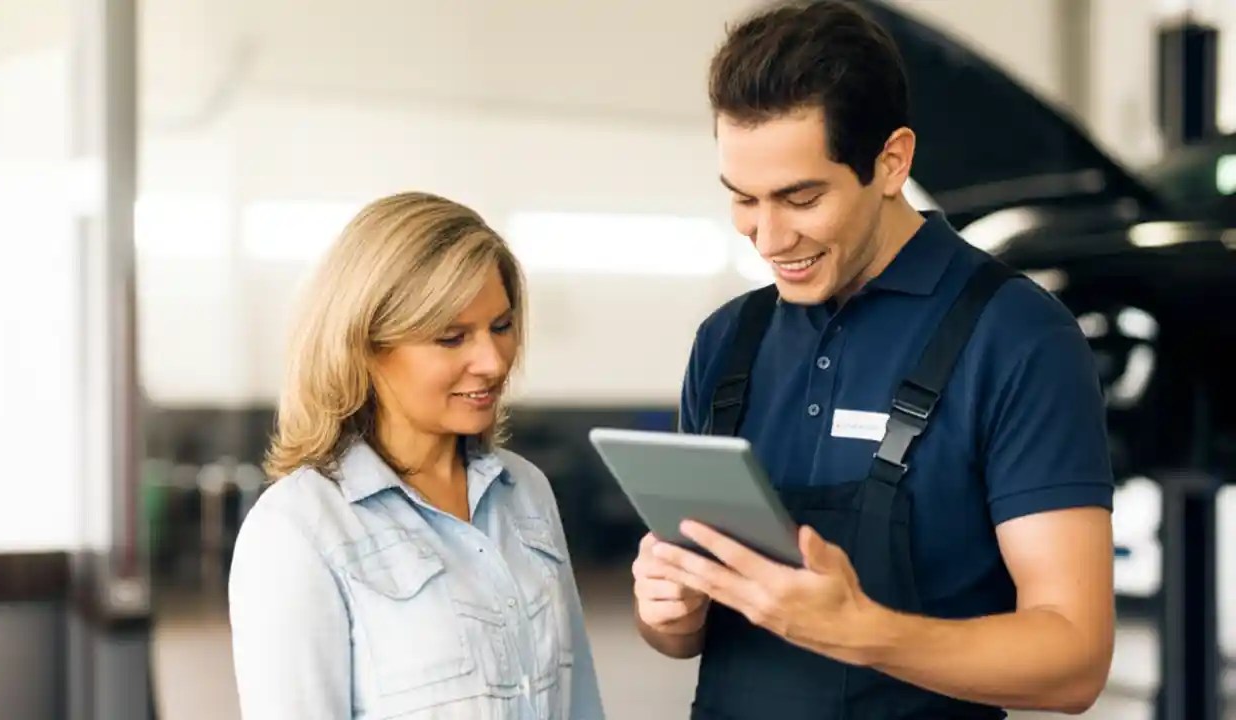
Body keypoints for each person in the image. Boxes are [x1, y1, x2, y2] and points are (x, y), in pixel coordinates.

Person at [631, 2, 1116, 718]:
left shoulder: (1018, 336)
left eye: (801, 198)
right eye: (744, 200)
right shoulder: (727, 340)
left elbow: (1074, 660)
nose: (769, 238)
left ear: (892, 162)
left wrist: (864, 633)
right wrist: (669, 613)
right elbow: (687, 635)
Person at [229, 192, 605, 719]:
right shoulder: (298, 529)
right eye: (452, 338)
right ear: (364, 345)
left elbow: (580, 703)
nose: (493, 362)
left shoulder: (526, 492)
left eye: (501, 327)